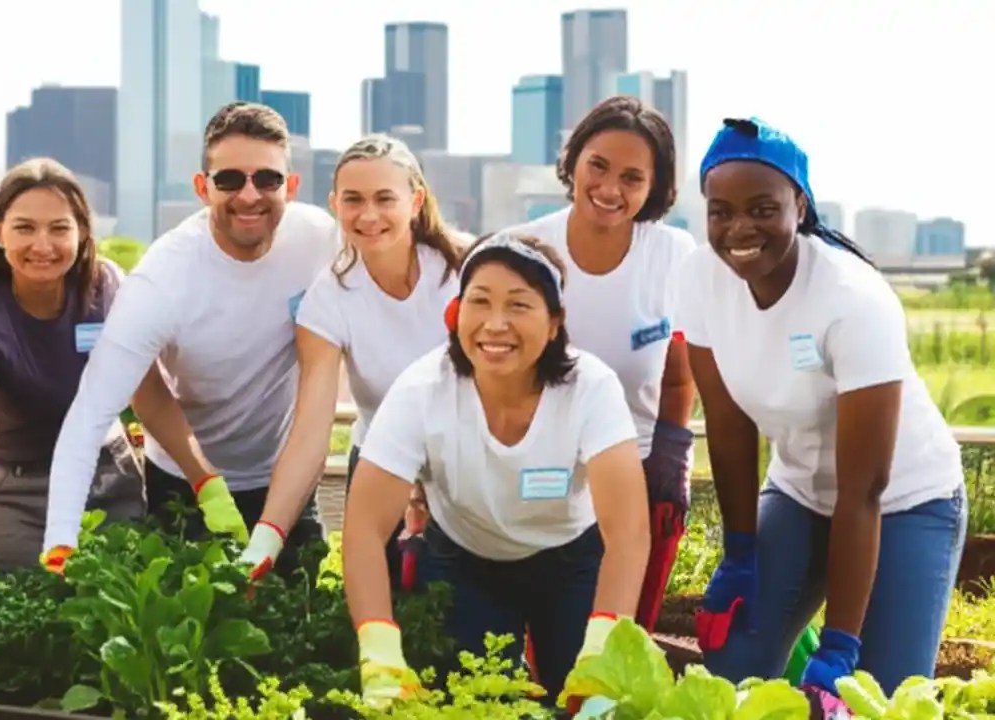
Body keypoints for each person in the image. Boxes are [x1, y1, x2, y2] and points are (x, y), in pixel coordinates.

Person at [678, 117, 967, 703]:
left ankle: (826, 649)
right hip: (801, 491)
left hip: (905, 502)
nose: (739, 227)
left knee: (871, 699)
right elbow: (729, 425)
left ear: (800, 207)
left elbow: (865, 489)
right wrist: (739, 555)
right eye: (720, 210)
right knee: (731, 663)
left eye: (762, 208)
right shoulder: (699, 277)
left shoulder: (851, 299)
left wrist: (841, 643)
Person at [341, 233, 651, 708]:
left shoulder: (590, 388)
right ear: (457, 313)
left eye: (520, 305)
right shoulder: (423, 389)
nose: (495, 324)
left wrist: (602, 649)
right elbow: (364, 527)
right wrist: (379, 653)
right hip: (465, 560)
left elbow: (627, 531)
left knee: (588, 701)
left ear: (554, 323)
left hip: (571, 561)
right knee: (483, 704)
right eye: (479, 302)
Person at [40, 102, 340, 572]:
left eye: (267, 179)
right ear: (202, 188)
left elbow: (405, 255)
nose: (249, 196)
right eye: (228, 180)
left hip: (288, 480)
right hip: (182, 480)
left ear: (292, 186)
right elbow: (90, 413)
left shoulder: (320, 239)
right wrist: (60, 539)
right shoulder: (164, 278)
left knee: (299, 625)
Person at [499, 95, 697, 632]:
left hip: (638, 475)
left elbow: (681, 375)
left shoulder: (675, 257)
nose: (611, 189)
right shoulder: (521, 250)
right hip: (540, 477)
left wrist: (670, 455)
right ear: (573, 161)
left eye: (633, 178)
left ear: (654, 186)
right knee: (546, 647)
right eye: (599, 167)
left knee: (619, 642)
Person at [238, 133, 460, 583]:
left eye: (385, 198)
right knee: (385, 616)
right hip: (381, 465)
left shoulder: (466, 271)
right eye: (354, 200)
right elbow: (309, 434)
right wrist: (266, 538)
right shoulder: (329, 297)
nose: (369, 215)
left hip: (465, 465)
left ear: (415, 201)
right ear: (335, 204)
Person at [0, 158, 145, 592]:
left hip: (107, 481)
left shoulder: (107, 289)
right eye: (25, 228)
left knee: (116, 608)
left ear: (81, 233)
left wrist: (204, 480)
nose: (42, 244)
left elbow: (152, 389)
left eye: (59, 228)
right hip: (19, 492)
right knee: (29, 608)